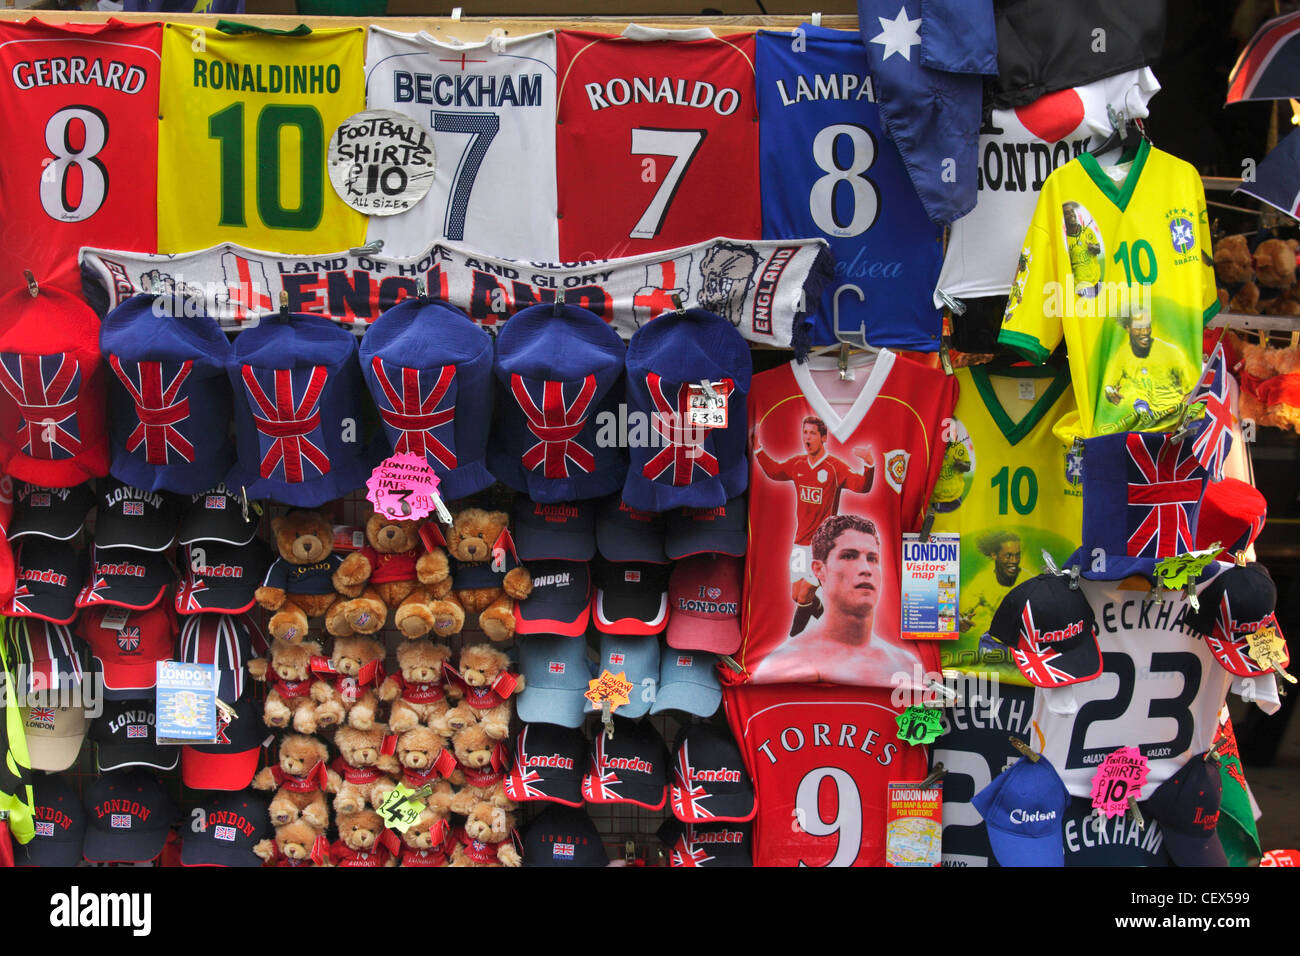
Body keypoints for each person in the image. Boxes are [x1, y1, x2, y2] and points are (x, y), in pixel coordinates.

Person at [752, 514, 920, 685]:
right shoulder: (781, 665)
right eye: (849, 556)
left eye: (872, 559)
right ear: (819, 569)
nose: (866, 569)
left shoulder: (907, 665)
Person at [753, 415, 874, 637]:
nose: (807, 438)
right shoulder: (797, 463)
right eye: (805, 433)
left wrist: (869, 464)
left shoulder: (835, 467)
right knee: (795, 595)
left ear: (823, 437)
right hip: (800, 542)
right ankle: (826, 614)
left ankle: (792, 641)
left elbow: (861, 486)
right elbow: (774, 471)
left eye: (812, 433)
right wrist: (758, 449)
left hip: (822, 545)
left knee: (803, 596)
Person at [1102, 311, 1193, 426]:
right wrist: (1111, 393)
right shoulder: (1121, 356)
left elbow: (1191, 392)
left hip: (1173, 421)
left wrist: (1178, 416)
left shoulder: (1172, 352)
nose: (1145, 332)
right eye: (1139, 328)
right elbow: (1109, 386)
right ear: (1128, 328)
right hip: (1139, 423)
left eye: (1147, 326)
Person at [959, 530, 1024, 639]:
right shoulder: (982, 582)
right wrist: (960, 621)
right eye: (1008, 556)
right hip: (996, 641)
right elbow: (961, 611)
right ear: (994, 555)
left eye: (1017, 555)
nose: (1014, 560)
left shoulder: (1028, 580)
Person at [1063, 201, 1102, 298]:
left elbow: (1098, 249)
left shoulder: (1087, 231)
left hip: (1097, 281)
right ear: (1063, 218)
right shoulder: (1064, 240)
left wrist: (1094, 248)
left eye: (1072, 211)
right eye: (1067, 213)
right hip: (1081, 287)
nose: (1071, 214)